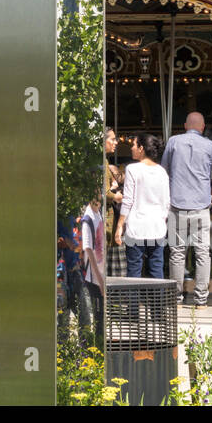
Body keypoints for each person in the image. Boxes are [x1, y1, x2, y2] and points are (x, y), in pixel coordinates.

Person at [161, 112, 212, 307]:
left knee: (177, 253)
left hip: (177, 204)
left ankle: (175, 298)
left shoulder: (174, 142)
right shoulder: (210, 145)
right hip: (201, 206)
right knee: (202, 253)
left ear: (185, 125)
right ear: (202, 127)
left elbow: (165, 168)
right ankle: (200, 298)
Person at [114, 132, 170, 280]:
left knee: (134, 271)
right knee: (156, 269)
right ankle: (157, 303)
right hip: (157, 227)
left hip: (136, 226)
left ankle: (133, 303)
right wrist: (161, 220)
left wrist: (120, 225)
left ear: (141, 148)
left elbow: (128, 200)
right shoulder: (162, 172)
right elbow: (166, 203)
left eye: (134, 144)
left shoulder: (133, 169)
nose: (131, 147)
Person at [79, 188, 105, 339]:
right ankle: (95, 347)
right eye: (97, 194)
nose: (100, 197)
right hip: (94, 277)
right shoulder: (87, 219)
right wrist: (100, 281)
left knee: (102, 317)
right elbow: (88, 249)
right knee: (98, 317)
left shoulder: (98, 213)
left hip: (101, 273)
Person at [103, 128, 126, 278]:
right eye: (112, 139)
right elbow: (103, 194)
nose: (116, 142)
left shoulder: (103, 161)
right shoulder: (102, 163)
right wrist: (117, 196)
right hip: (104, 220)